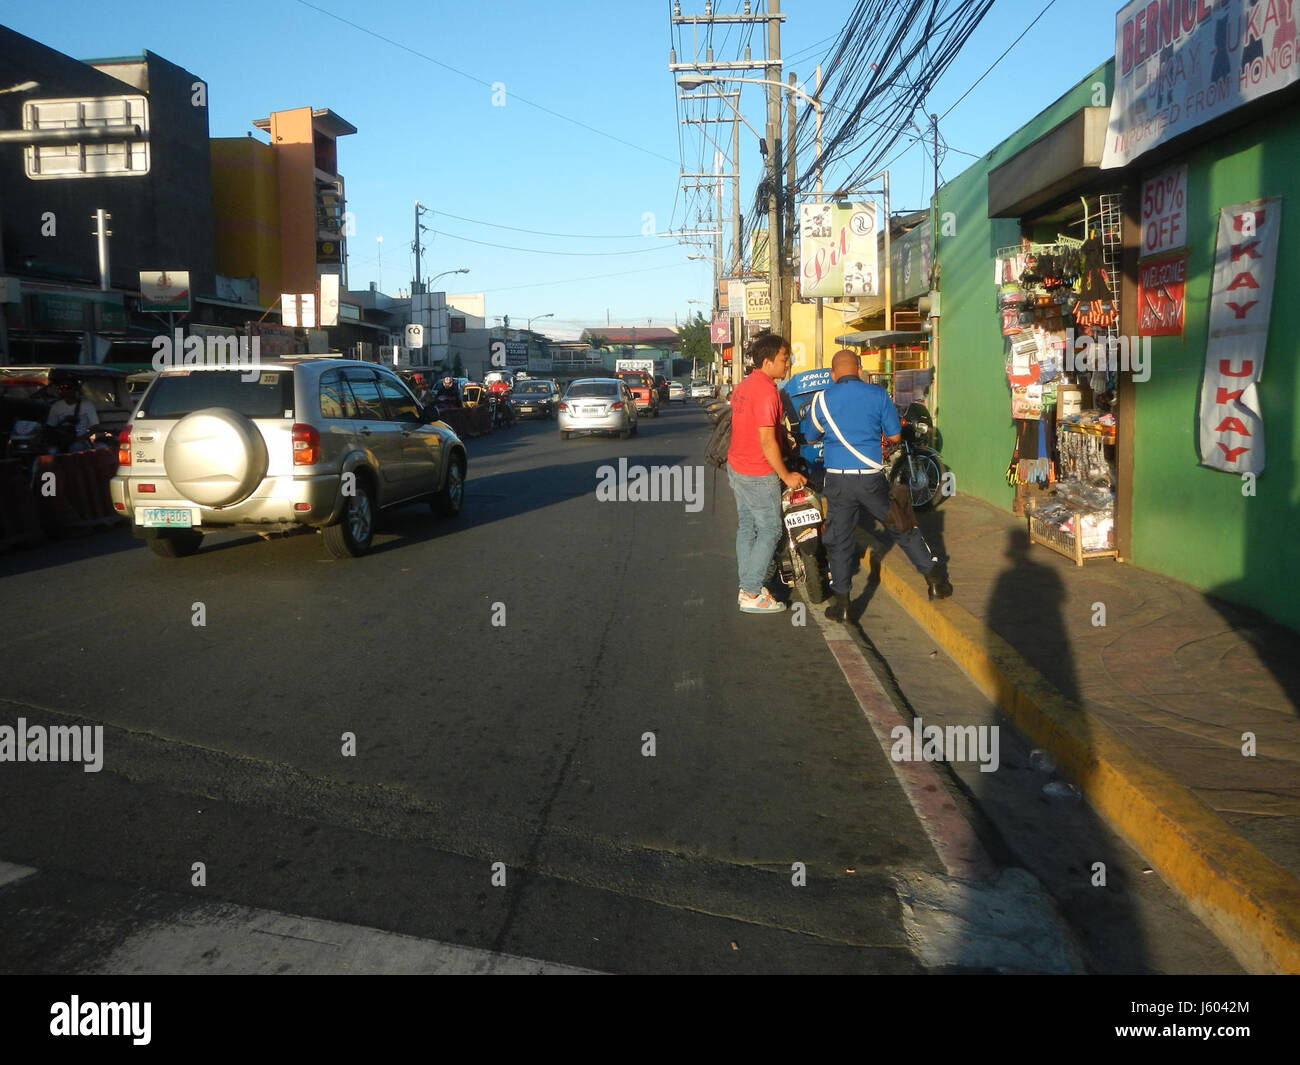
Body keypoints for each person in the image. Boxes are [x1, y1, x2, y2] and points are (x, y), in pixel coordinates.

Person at [807, 349, 952, 621]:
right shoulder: (877, 395)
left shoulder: (821, 399)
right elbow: (895, 435)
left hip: (838, 480)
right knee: (902, 525)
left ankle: (843, 604)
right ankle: (935, 582)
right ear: (860, 370)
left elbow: (810, 434)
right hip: (871, 480)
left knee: (840, 540)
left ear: (832, 373)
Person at [726, 333, 806, 614]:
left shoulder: (744, 386)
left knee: (748, 527)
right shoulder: (766, 390)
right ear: (768, 360)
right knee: (771, 529)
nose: (788, 364)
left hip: (737, 465)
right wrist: (786, 476)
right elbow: (766, 440)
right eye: (785, 359)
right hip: (757, 471)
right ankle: (750, 592)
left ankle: (746, 584)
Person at [45, 374, 98, 449]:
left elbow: (95, 426)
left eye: (68, 387)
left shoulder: (87, 405)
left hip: (79, 440)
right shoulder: (56, 406)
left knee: (75, 448)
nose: (65, 390)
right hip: (61, 440)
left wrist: (81, 438)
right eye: (61, 388)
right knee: (51, 451)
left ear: (75, 389)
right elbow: (51, 426)